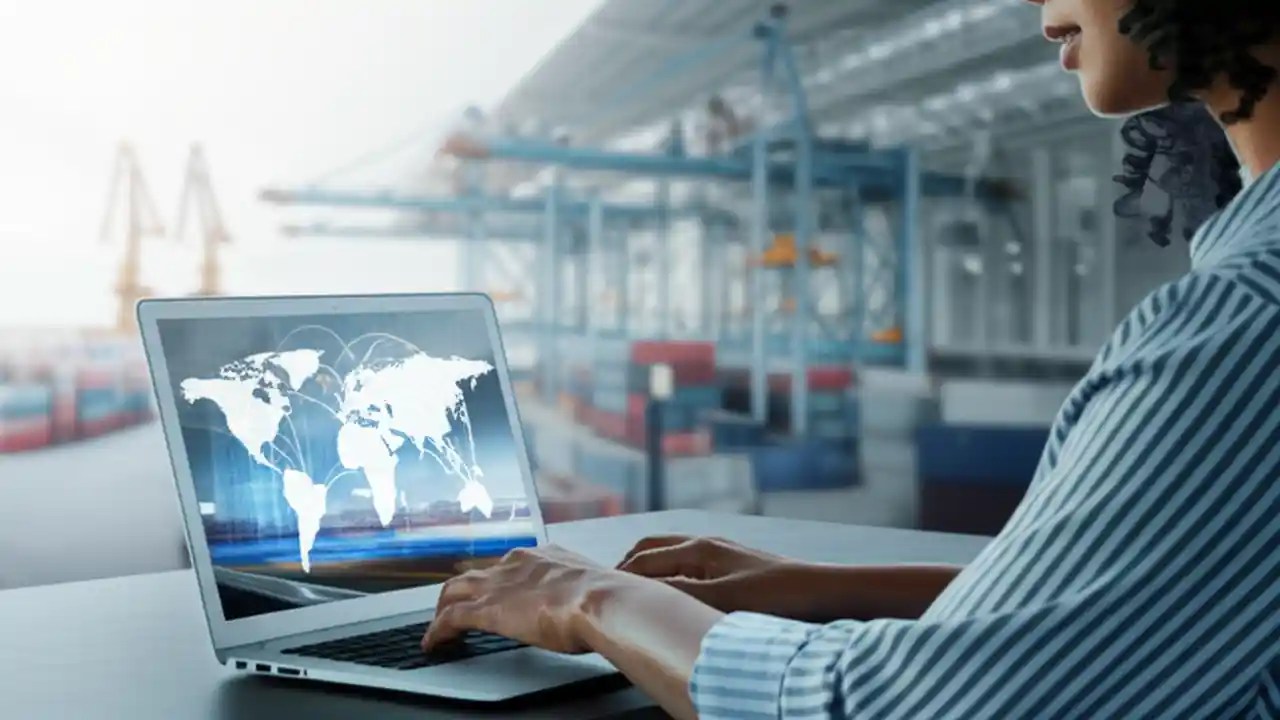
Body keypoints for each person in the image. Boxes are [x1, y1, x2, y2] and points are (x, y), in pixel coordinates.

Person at [422, 2, 1280, 717]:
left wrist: (595, 600)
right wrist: (818, 586)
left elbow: (913, 707)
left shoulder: (1236, 329)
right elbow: (1157, 603)